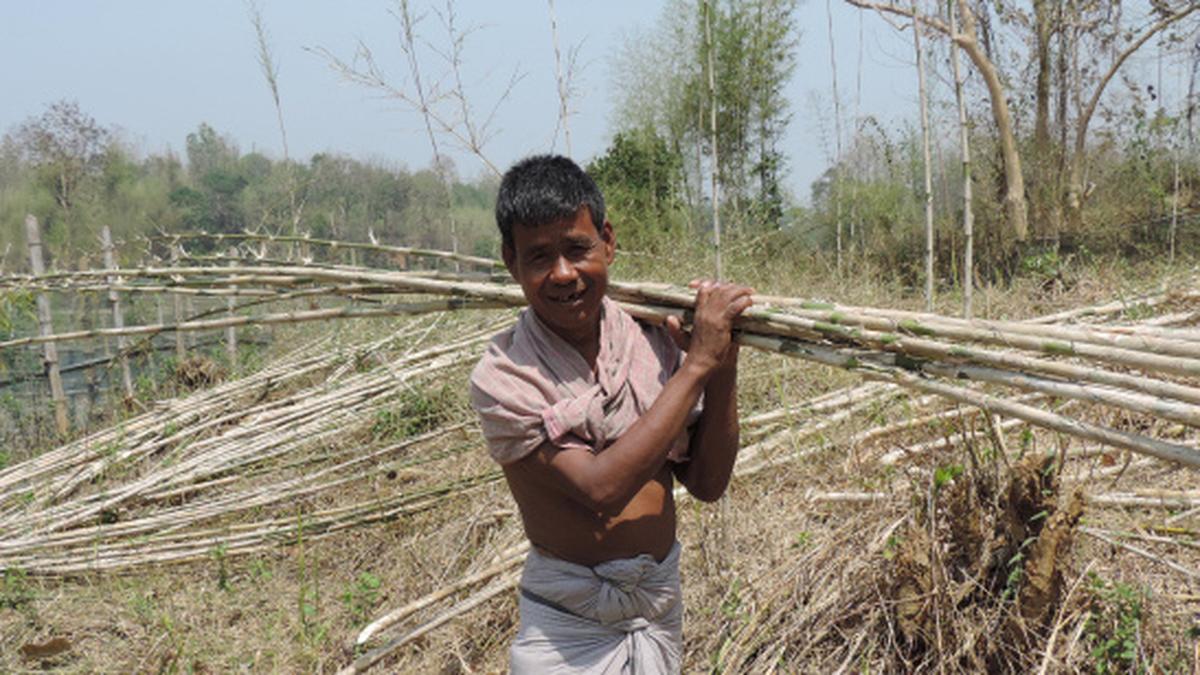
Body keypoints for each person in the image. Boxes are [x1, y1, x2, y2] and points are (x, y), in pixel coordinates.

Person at [469, 154, 753, 674]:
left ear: (608, 241)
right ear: (512, 262)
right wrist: (697, 367)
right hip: (566, 626)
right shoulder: (505, 375)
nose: (562, 274)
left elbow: (708, 484)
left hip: (656, 606)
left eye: (577, 249)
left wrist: (722, 365)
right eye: (539, 257)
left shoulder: (651, 341)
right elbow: (602, 489)